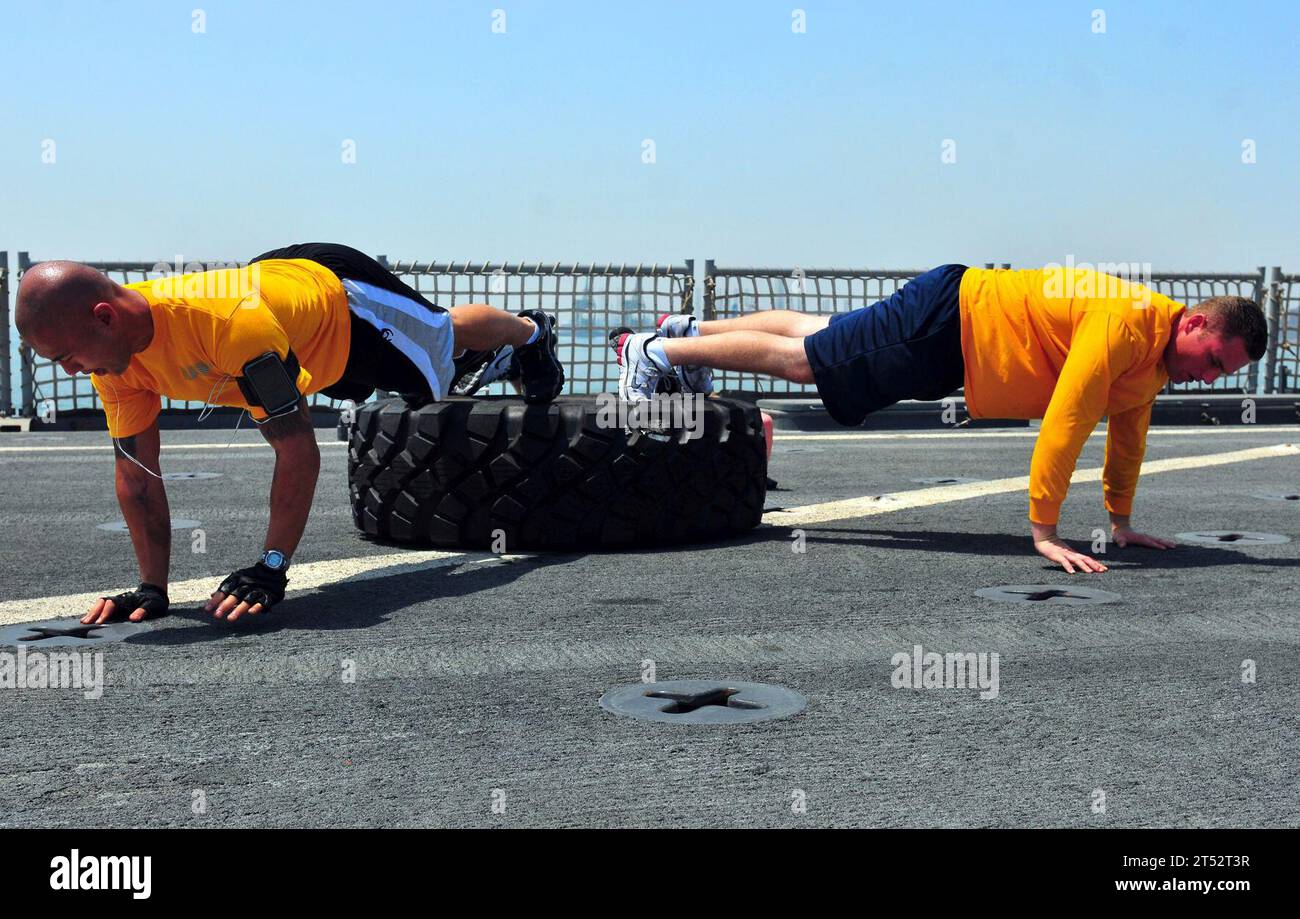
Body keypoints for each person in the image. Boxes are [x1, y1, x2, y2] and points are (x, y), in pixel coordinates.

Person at [14, 242, 564, 622]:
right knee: (398, 384)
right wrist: (151, 589)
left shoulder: (229, 327)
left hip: (340, 296)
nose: (70, 371)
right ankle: (496, 353)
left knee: (438, 359)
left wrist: (272, 568)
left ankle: (531, 332)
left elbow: (296, 449)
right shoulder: (115, 364)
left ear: (105, 317)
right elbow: (137, 480)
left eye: (66, 357)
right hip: (295, 324)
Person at [613, 264, 1269, 573]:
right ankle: (655, 351)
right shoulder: (1128, 323)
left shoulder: (1158, 363)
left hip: (959, 344)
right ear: (1193, 321)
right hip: (951, 317)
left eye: (1222, 374)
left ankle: (689, 333)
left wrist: (1120, 521)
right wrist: (1044, 529)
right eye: (1211, 358)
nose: (1208, 377)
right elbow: (1070, 416)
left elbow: (1129, 434)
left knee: (824, 335)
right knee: (809, 363)